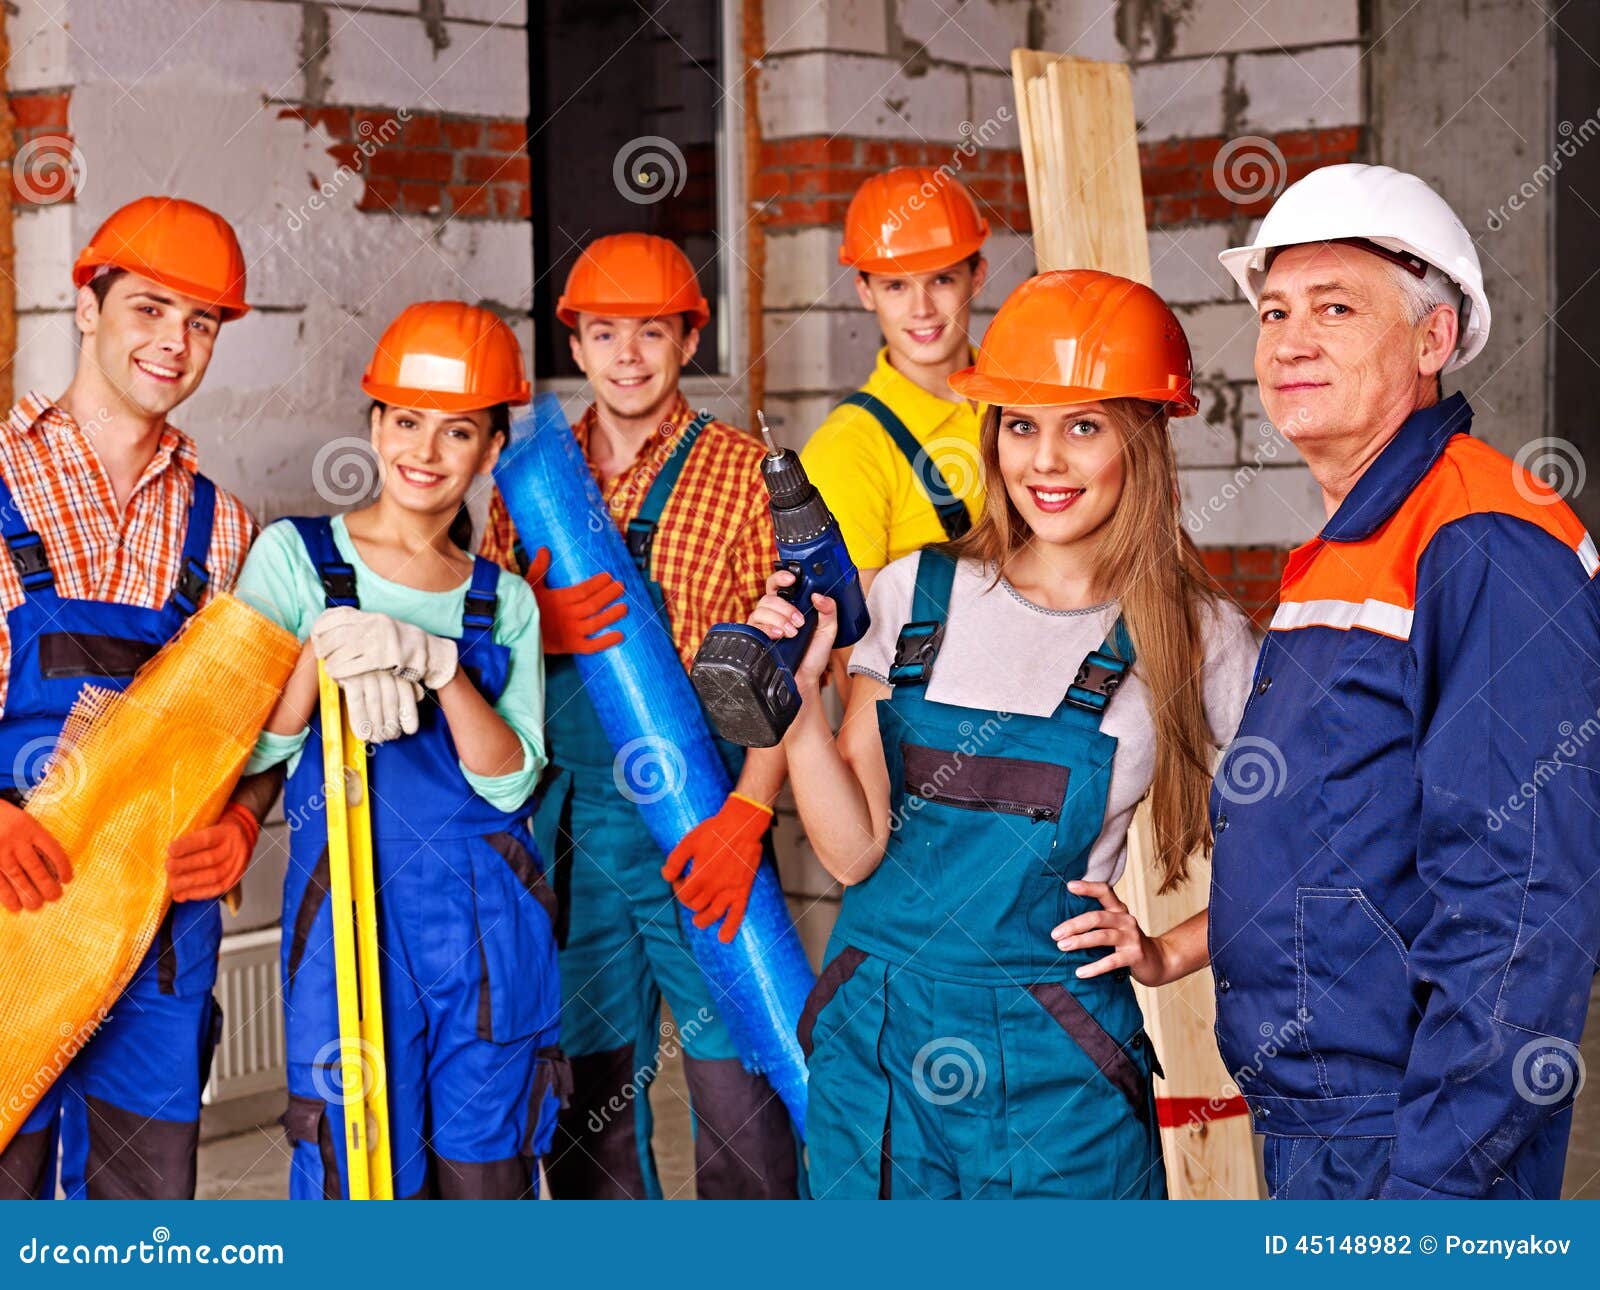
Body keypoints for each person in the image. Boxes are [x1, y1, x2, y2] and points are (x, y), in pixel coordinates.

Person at [747, 270, 1257, 1198]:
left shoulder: (1197, 636)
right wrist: (803, 704)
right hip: (879, 1041)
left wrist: (1168, 950)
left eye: (1084, 426)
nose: (1045, 462)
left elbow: (1310, 849)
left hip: (1055, 1062)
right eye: (1021, 425)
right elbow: (854, 851)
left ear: (1143, 435)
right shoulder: (914, 592)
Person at [1208, 163, 1600, 1199]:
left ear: (1431, 342)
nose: (1290, 339)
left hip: (1412, 1141)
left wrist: (1430, 1193)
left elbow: (1523, 904)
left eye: (1336, 309)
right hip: (1331, 1128)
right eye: (1276, 309)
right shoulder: (1355, 543)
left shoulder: (1479, 540)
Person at [477, 232, 799, 1199]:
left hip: (700, 822)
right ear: (574, 346)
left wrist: (751, 812)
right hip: (568, 821)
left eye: (651, 332)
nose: (627, 355)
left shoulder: (748, 474)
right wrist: (534, 631)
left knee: (741, 1092)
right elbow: (480, 660)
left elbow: (793, 671)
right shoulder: (522, 481)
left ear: (687, 340)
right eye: (604, 332)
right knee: (589, 1101)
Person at [235, 301, 562, 1199]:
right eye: (406, 420)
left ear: (492, 449)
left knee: (486, 1177)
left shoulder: (506, 602)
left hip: (489, 936)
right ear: (374, 424)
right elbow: (254, 748)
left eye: (456, 431)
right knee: (357, 1181)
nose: (424, 450)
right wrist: (320, 651)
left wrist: (442, 669)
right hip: (345, 922)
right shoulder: (296, 561)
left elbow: (511, 785)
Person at [0, 196, 271, 1200]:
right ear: (87, 304)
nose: (176, 341)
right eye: (151, 307)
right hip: (11, 928)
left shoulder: (226, 530)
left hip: (159, 946)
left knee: (141, 1223)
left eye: (202, 322)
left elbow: (254, 733)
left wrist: (245, 822)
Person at [800, 168, 989, 688]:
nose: (922, 308)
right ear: (864, 291)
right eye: (896, 285)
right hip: (939, 741)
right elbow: (854, 657)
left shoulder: (1025, 406)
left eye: (942, 279)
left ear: (978, 275)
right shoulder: (848, 448)